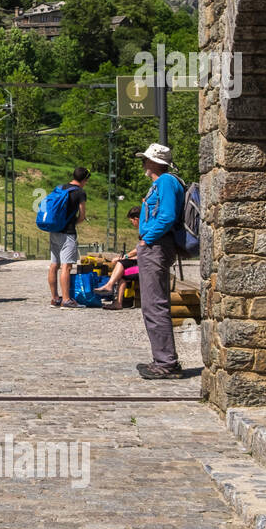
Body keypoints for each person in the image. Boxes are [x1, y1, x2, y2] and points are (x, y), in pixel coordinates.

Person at [134, 143, 185, 379]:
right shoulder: (164, 183)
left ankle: (165, 362)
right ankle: (163, 359)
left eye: (145, 160)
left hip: (156, 246)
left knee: (155, 304)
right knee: (153, 304)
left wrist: (147, 240)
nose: (143, 163)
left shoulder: (165, 182)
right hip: (154, 245)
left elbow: (166, 216)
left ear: (155, 162)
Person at [48, 166, 89, 308]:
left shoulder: (60, 188)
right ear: (84, 180)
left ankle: (55, 298)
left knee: (54, 265)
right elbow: (82, 216)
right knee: (66, 266)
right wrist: (73, 223)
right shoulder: (80, 192)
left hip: (54, 230)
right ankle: (66, 299)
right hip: (68, 233)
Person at [94, 206, 142, 310]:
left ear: (136, 219)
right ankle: (117, 300)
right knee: (121, 268)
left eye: (131, 222)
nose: (132, 224)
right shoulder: (147, 227)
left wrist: (126, 257)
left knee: (121, 268)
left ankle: (111, 288)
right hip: (145, 260)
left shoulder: (145, 229)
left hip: (147, 264)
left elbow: (140, 249)